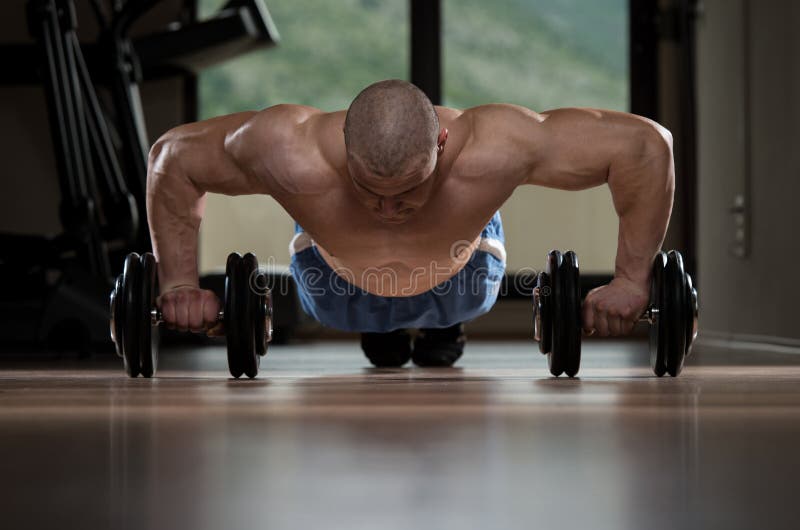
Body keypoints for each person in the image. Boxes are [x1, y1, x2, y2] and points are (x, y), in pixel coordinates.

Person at [148, 79, 674, 367]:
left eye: (408, 191)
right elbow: (172, 158)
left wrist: (631, 282)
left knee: (471, 235)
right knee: (366, 321)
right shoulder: (287, 148)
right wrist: (178, 285)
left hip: (462, 278)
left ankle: (439, 325)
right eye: (369, 191)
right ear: (344, 147)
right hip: (335, 287)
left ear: (441, 143)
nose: (388, 210)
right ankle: (381, 328)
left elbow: (647, 146)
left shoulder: (496, 145)